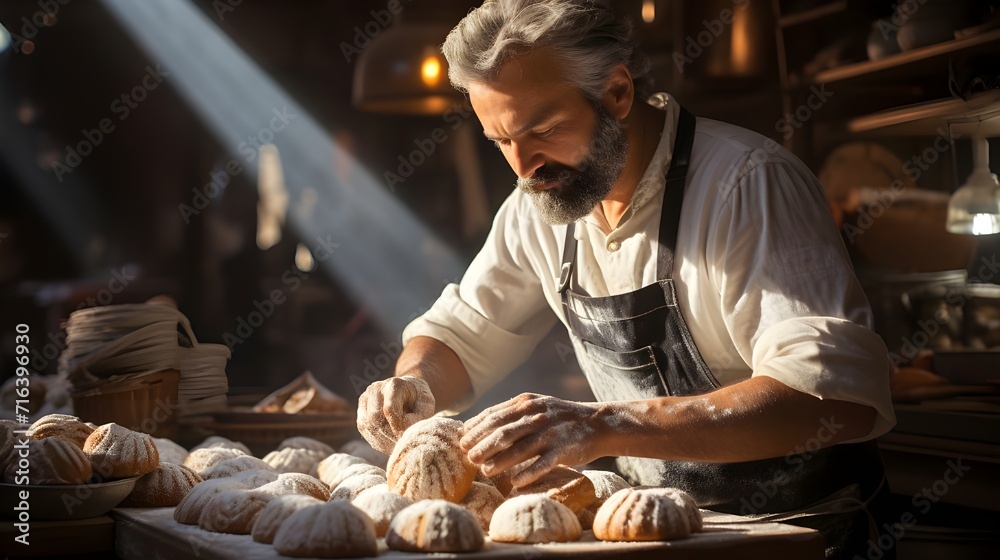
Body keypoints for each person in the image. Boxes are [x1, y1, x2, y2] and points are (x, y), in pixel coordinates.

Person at [357, 1, 896, 558]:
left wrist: (604, 424)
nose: (523, 167)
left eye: (543, 129)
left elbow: (831, 397)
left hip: (802, 534)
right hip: (662, 535)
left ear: (616, 94)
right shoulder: (539, 204)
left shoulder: (747, 185)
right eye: (501, 141)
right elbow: (461, 335)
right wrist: (415, 385)